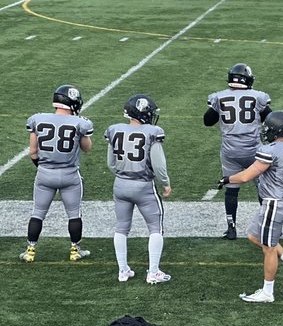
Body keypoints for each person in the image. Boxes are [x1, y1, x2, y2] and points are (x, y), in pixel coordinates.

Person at [218, 111, 283, 302]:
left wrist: (227, 178)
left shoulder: (270, 150)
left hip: (274, 203)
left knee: (268, 248)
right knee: (254, 235)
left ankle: (268, 292)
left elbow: (245, 176)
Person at [20, 85, 94, 263]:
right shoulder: (81, 123)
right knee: (74, 213)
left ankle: (30, 251)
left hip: (45, 173)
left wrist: (42, 167)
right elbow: (87, 148)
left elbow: (32, 151)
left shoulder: (37, 119)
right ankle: (75, 250)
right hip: (70, 175)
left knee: (38, 213)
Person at [105, 95, 172, 284]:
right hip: (143, 185)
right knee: (155, 228)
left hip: (120, 184)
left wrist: (123, 174)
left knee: (121, 227)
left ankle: (123, 270)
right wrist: (165, 183)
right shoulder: (152, 132)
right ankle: (153, 272)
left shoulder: (115, 130)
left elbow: (110, 163)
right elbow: (158, 164)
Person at [205, 64, 272, 240]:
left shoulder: (219, 97)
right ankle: (266, 225)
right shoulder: (258, 97)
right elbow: (270, 118)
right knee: (263, 188)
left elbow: (207, 121)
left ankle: (231, 227)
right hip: (254, 150)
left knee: (231, 189)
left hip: (230, 151)